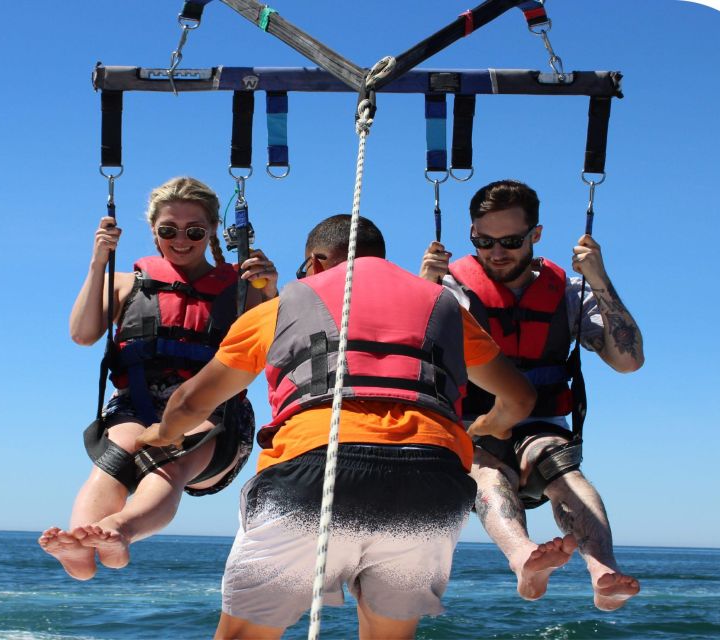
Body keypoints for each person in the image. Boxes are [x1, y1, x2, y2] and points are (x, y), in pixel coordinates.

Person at [137, 214, 537, 639]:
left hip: (312, 472)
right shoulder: (444, 307)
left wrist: (160, 435)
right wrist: (486, 427)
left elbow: (192, 401)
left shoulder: (286, 303)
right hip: (431, 484)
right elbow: (520, 399)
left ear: (317, 262)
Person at [419, 179, 644, 611]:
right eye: (483, 241)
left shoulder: (567, 294)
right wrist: (421, 288)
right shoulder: (451, 292)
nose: (496, 252)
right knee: (488, 473)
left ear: (535, 236)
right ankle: (524, 558)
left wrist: (599, 279)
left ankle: (603, 571)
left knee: (563, 471)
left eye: (510, 241)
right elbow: (406, 357)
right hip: (478, 427)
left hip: (541, 422)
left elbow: (628, 360)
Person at [39, 176, 279, 580]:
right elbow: (82, 334)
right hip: (138, 405)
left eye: (194, 231)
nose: (180, 239)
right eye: (168, 230)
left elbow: (277, 352)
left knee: (167, 458)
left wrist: (270, 291)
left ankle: (120, 530)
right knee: (115, 457)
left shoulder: (242, 290)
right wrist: (99, 261)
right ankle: (80, 548)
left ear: (213, 231)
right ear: (154, 231)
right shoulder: (126, 284)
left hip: (213, 413)